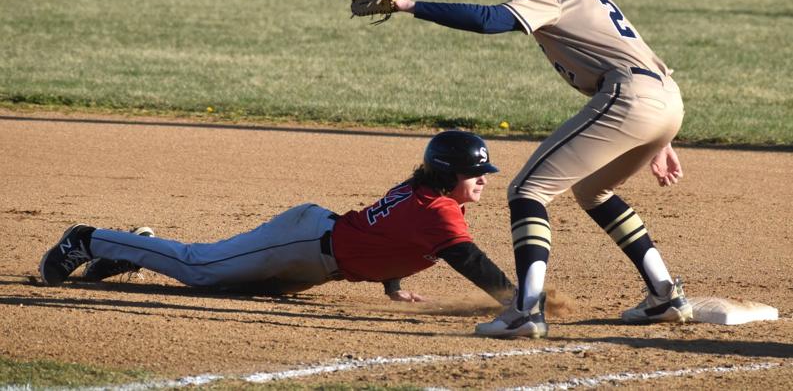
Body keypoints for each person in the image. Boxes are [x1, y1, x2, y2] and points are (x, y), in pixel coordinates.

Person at [389, 0, 692, 337]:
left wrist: (410, 6)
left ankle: (526, 310)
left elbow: (490, 20)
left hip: (632, 98)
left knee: (528, 190)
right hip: (664, 100)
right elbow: (652, 67)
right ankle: (664, 294)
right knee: (593, 191)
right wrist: (663, 137)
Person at [39, 130, 515, 305]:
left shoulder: (424, 195)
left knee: (222, 283)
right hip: (303, 243)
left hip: (314, 255)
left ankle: (133, 247)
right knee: (199, 269)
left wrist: (391, 284)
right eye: (476, 173)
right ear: (449, 174)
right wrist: (516, 302)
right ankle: (86, 240)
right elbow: (468, 260)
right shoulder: (436, 210)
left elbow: (389, 238)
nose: (484, 180)